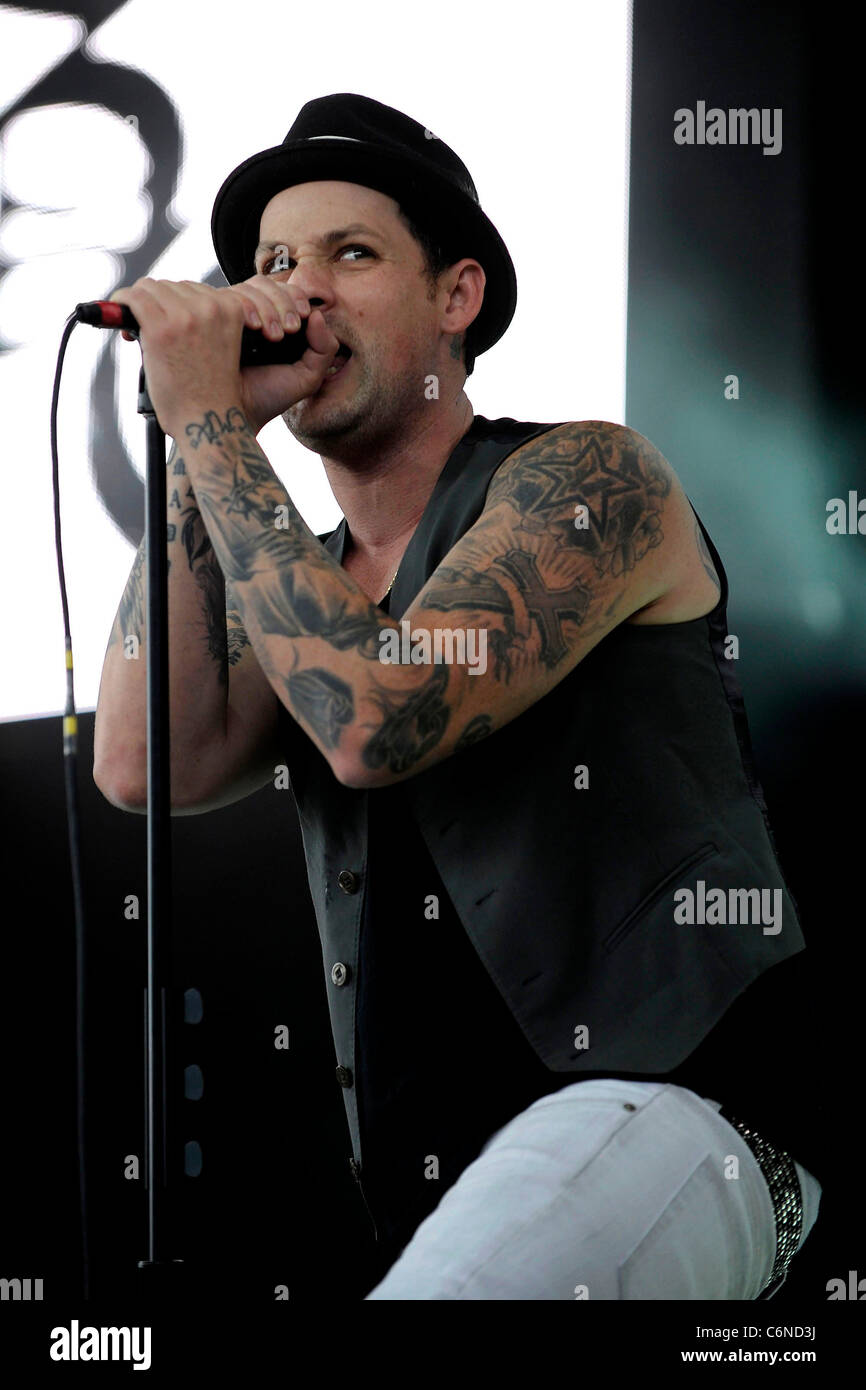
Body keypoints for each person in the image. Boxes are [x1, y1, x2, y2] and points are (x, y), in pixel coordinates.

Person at [94, 93, 822, 1300]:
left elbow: (377, 716)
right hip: (454, 1191)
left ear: (456, 298)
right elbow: (140, 762)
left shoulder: (588, 476)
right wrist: (193, 440)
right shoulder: (305, 589)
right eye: (274, 264)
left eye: (350, 253)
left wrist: (214, 421)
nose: (298, 290)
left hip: (690, 1119)